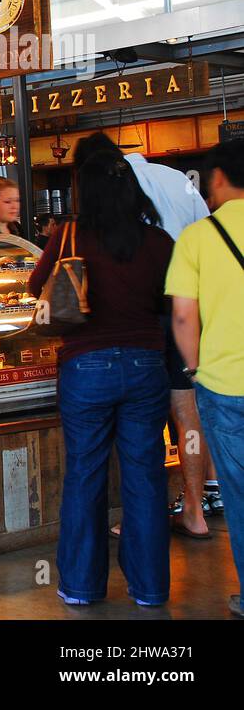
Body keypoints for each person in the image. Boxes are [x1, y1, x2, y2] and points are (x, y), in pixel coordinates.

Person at [29, 151, 173, 607]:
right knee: (145, 478)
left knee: (85, 475)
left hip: (86, 365)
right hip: (148, 365)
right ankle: (150, 589)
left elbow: (36, 288)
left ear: (83, 193)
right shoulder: (158, 240)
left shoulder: (69, 235)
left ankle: (81, 587)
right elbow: (169, 302)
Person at [76, 131, 218, 535]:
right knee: (187, 416)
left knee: (140, 420)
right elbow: (204, 235)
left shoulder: (112, 191)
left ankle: (144, 514)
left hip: (140, 317)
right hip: (186, 309)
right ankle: (194, 510)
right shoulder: (174, 178)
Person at [166, 138, 244, 618]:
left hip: (224, 384)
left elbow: (181, 318)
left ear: (216, 179)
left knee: (237, 491)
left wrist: (194, 368)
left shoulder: (198, 237)